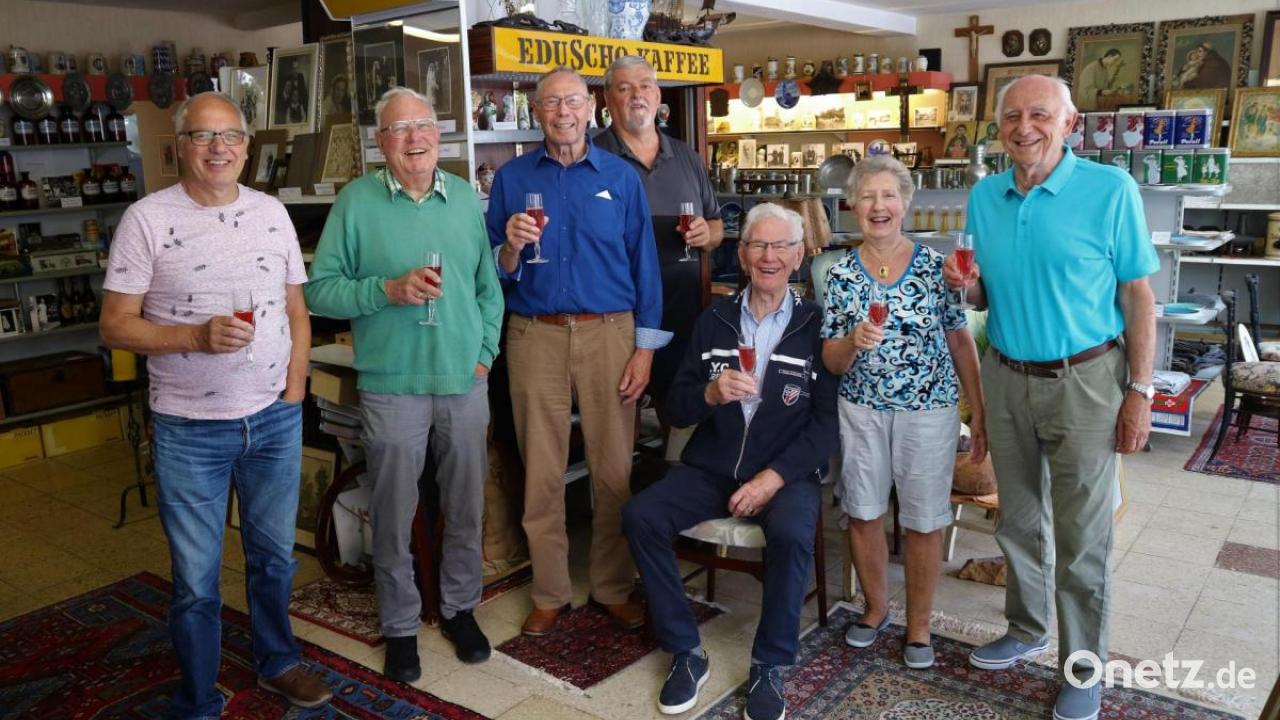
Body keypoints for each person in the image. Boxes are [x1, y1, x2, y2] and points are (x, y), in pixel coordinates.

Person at [99, 92, 332, 718]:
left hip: (274, 419)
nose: (217, 147)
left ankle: (277, 661)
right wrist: (193, 338)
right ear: (181, 147)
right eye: (202, 136)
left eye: (229, 135)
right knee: (196, 580)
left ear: (247, 147)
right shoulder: (147, 220)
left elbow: (296, 309)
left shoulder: (271, 212)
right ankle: (198, 697)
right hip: (189, 428)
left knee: (274, 559)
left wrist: (295, 390)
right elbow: (115, 325)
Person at [944, 74, 1157, 720]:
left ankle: (1082, 667)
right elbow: (985, 293)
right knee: (1017, 520)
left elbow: (1138, 296)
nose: (1024, 126)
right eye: (1012, 116)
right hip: (1008, 375)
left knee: (1082, 534)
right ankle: (1027, 626)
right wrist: (967, 287)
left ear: (1069, 124)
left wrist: (1140, 391)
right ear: (999, 128)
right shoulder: (985, 195)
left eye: (1040, 114)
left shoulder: (1110, 190)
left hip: (1087, 379)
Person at [305, 87, 503, 680]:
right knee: (393, 512)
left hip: (463, 380)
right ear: (380, 143)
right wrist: (386, 291)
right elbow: (319, 291)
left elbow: (488, 288)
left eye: (423, 126)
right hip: (391, 383)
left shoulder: (464, 197)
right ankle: (399, 626)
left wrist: (485, 354)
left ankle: (460, 608)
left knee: (465, 505)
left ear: (438, 135)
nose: (414, 138)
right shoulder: (355, 203)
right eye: (399, 129)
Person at [622, 203, 838, 720]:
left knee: (792, 533)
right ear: (741, 256)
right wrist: (711, 394)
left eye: (781, 246)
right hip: (713, 466)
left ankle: (770, 663)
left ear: (799, 256)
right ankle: (685, 651)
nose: (769, 256)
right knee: (640, 516)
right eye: (758, 245)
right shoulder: (714, 320)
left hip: (784, 473)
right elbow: (677, 408)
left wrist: (772, 479)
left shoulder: (817, 326)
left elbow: (825, 425)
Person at [486, 66, 663, 637]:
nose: (562, 112)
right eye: (551, 103)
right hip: (533, 334)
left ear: (591, 108)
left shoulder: (621, 177)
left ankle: (613, 587)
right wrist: (509, 250)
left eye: (572, 102)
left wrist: (645, 350)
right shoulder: (512, 178)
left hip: (610, 333)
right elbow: (492, 271)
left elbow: (645, 267)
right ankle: (549, 592)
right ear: (536, 112)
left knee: (613, 470)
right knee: (541, 469)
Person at [820, 155, 985, 670]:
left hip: (928, 410)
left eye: (888, 195)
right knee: (863, 511)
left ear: (906, 203)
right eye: (867, 196)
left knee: (923, 519)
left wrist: (979, 410)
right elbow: (831, 360)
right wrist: (852, 341)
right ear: (852, 205)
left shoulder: (939, 268)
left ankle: (919, 626)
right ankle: (875, 609)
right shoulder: (839, 274)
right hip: (861, 410)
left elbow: (960, 341)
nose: (878, 206)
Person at [594, 55, 723, 420]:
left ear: (658, 95)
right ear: (607, 99)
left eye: (645, 86)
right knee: (621, 413)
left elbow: (717, 226)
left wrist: (706, 233)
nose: (637, 95)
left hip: (682, 312)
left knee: (677, 411)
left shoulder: (686, 156)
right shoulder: (592, 158)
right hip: (615, 315)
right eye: (625, 88)